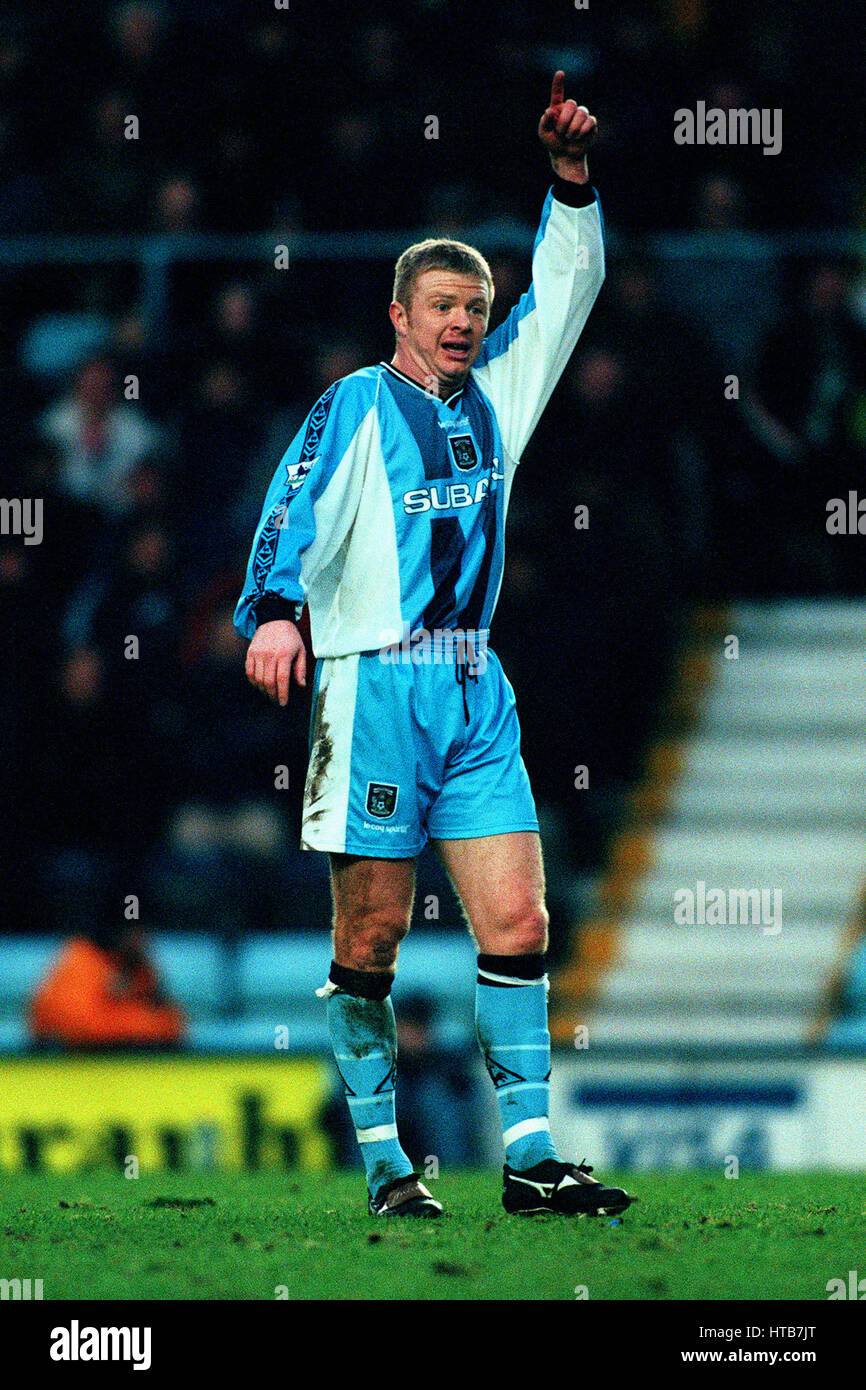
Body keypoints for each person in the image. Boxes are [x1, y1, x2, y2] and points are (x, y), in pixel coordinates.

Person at [236, 72, 634, 1220]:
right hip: (371, 688)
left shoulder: (500, 396)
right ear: (399, 316)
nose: (464, 319)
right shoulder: (355, 404)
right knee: (368, 936)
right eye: (442, 305)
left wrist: (567, 180)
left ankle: (527, 1157)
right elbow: (291, 506)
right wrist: (273, 610)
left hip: (473, 686)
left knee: (517, 921)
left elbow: (566, 290)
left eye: (474, 303)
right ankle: (382, 1159)